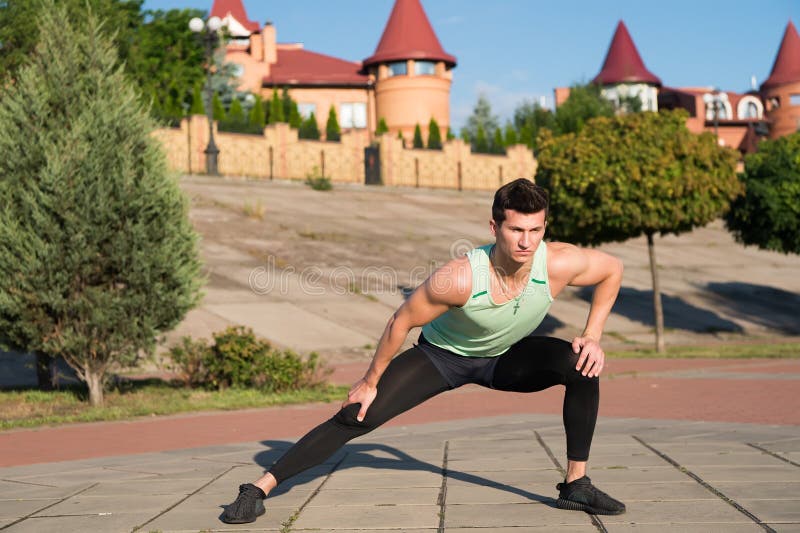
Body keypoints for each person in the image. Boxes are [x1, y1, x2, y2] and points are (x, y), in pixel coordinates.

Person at [221, 178, 626, 524]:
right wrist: (369, 381)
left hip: (506, 358)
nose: (525, 241)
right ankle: (258, 489)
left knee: (582, 364)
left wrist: (592, 334)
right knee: (357, 415)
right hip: (443, 357)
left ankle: (576, 485)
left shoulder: (557, 262)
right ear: (494, 227)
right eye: (516, 230)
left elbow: (612, 270)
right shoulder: (459, 278)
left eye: (535, 230)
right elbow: (401, 321)